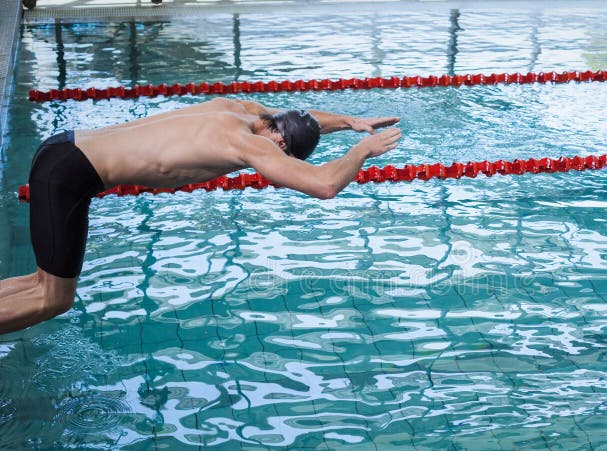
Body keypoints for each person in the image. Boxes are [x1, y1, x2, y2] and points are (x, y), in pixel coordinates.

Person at [0, 97, 401, 334]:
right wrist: (362, 150)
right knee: (54, 299)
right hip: (71, 175)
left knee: (40, 282)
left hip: (63, 149)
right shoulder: (254, 147)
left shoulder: (242, 110)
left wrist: (348, 123)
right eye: (285, 158)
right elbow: (324, 185)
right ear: (279, 144)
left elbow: (297, 115)